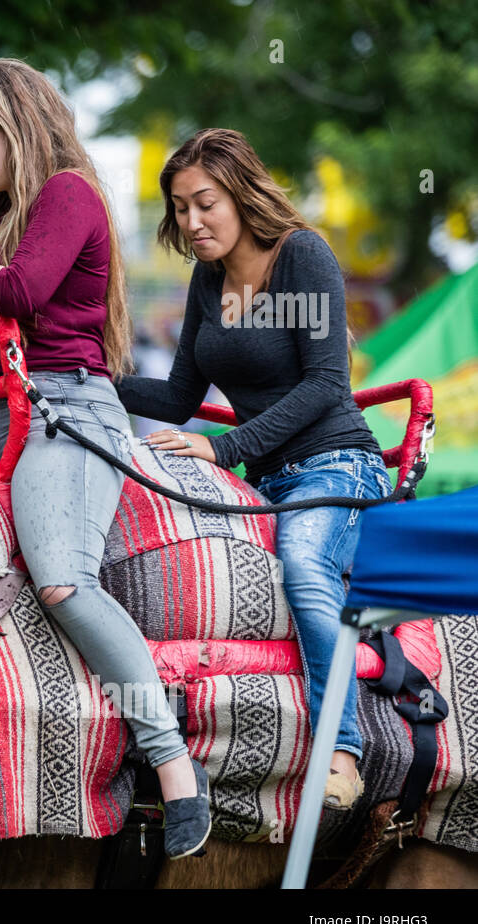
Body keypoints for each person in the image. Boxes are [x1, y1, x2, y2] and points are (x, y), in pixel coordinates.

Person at [0, 58, 211, 859]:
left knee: (61, 579)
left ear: (13, 120)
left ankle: (171, 760)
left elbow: (21, 293)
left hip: (66, 409)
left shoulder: (69, 192)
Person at [116, 128, 392, 811]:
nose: (192, 221)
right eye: (179, 208)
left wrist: (225, 446)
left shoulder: (303, 254)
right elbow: (180, 397)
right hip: (266, 485)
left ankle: (344, 752)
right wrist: (86, 379)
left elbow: (329, 384)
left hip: (336, 465)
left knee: (302, 565)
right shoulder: (207, 281)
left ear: (240, 192)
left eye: (204, 202)